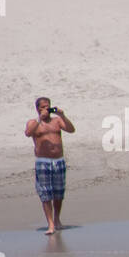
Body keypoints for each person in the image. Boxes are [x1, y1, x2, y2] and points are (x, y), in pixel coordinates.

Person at [24, 97, 74, 235]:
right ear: (37, 108)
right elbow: (28, 133)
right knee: (46, 194)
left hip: (58, 161)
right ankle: (50, 224)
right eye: (43, 107)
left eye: (48, 106)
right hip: (43, 161)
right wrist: (40, 118)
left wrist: (62, 115)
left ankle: (57, 219)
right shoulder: (34, 123)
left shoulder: (57, 121)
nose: (46, 109)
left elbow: (71, 130)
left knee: (59, 192)